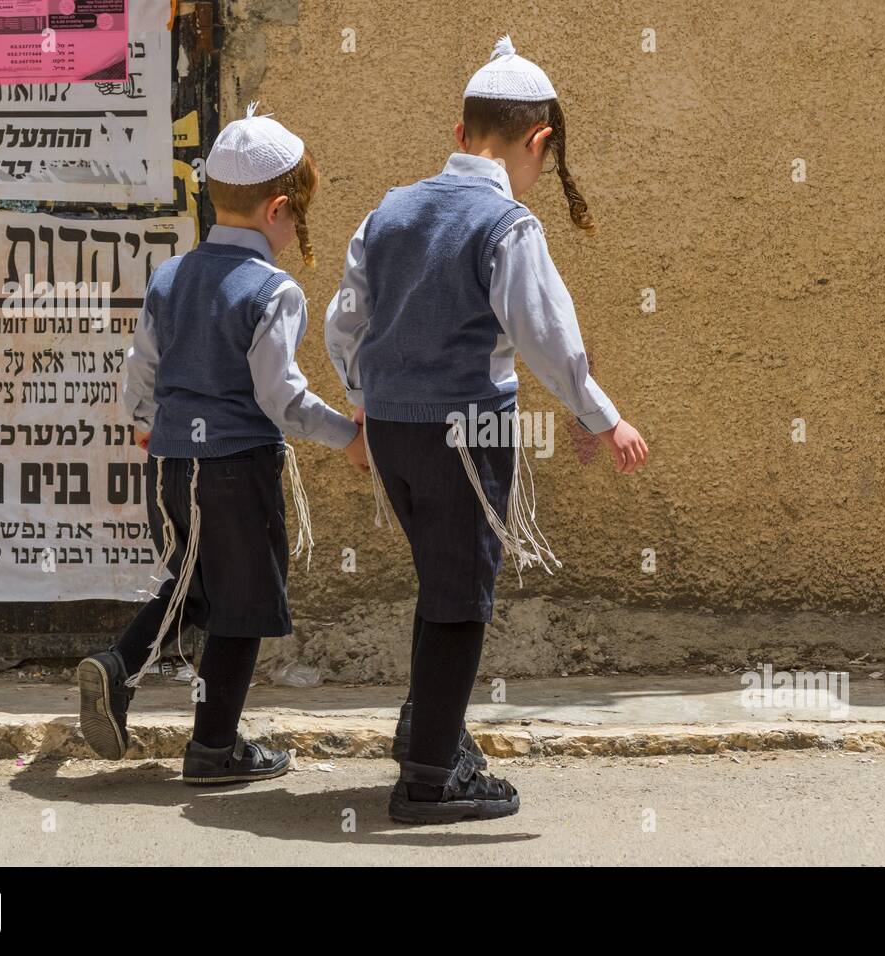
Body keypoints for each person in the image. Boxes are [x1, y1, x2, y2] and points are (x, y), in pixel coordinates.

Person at [326, 36, 648, 823]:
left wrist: (363, 401)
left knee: (440, 586)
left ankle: (427, 734)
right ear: (538, 141)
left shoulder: (388, 211)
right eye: (545, 155)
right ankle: (431, 779)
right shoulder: (507, 224)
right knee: (463, 596)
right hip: (463, 436)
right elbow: (546, 335)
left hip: (397, 430)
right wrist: (602, 417)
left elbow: (343, 324)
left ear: (462, 129)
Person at [77, 104, 367, 785]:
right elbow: (280, 397)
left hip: (172, 466)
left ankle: (118, 667)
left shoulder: (170, 275)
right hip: (237, 471)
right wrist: (347, 436)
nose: (297, 230)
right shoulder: (275, 289)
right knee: (239, 608)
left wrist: (145, 420)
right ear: (276, 210)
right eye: (298, 216)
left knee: (188, 589)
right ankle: (213, 750)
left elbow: (138, 366)